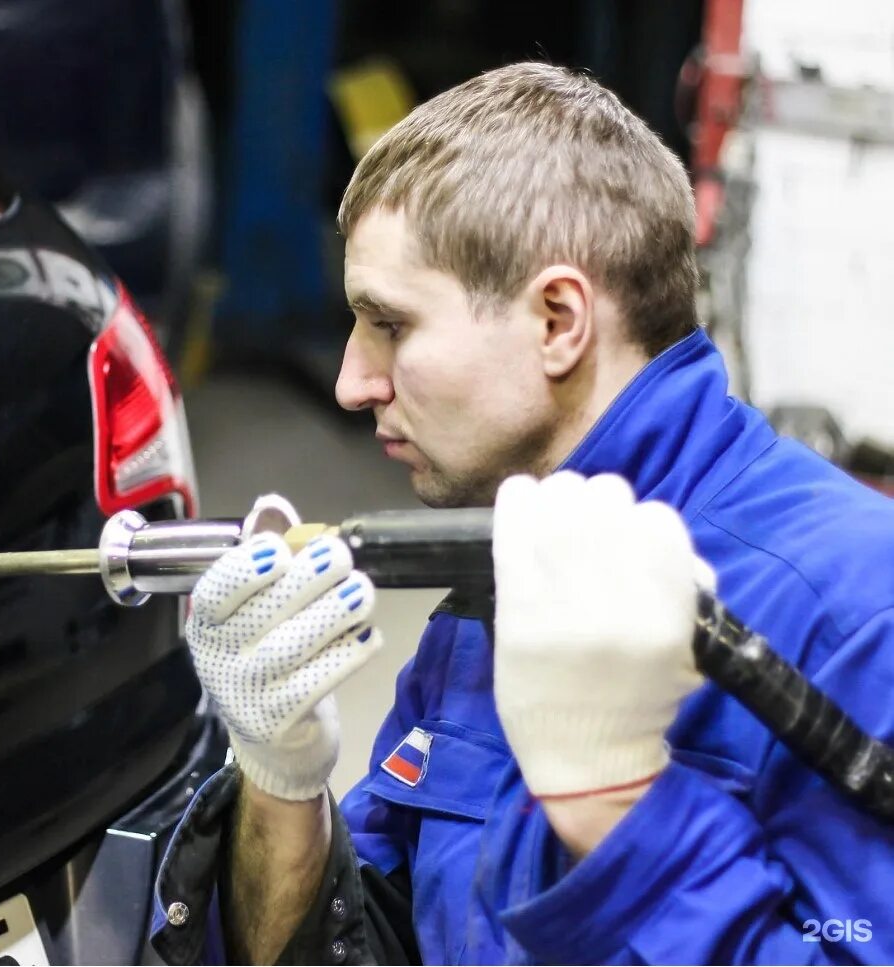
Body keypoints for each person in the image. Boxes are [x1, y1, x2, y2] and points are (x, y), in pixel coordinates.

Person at [149, 62, 894, 964]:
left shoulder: (858, 613)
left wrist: (621, 807)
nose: (350, 380)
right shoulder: (497, 592)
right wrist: (279, 786)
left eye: (389, 324)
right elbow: (372, 941)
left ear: (557, 320)